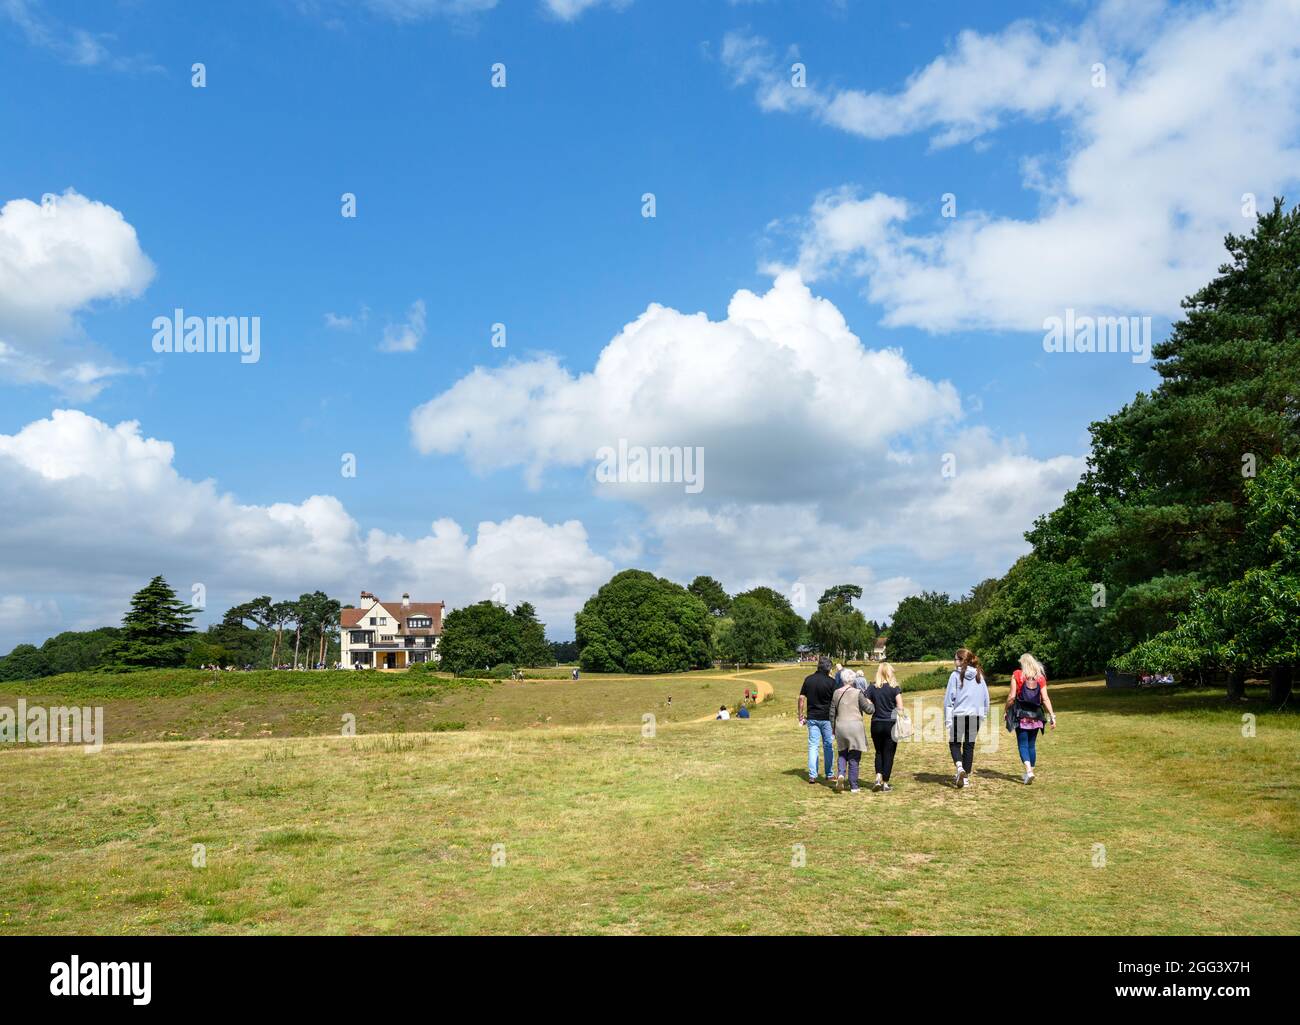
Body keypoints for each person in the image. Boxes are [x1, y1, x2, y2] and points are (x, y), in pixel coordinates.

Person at [1006, 653, 1056, 784]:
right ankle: (1030, 772)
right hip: (1037, 715)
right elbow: (1045, 698)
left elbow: (1011, 697)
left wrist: (1006, 710)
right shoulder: (1040, 678)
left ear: (1022, 663)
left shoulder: (1017, 675)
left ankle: (1028, 771)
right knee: (1031, 745)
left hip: (1021, 714)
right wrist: (1052, 715)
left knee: (1022, 744)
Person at [944, 648, 990, 788]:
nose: (954, 661)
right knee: (969, 745)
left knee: (954, 743)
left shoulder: (954, 675)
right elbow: (985, 698)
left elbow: (949, 700)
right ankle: (965, 778)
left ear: (962, 660)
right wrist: (983, 715)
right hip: (975, 715)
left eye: (955, 659)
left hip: (960, 714)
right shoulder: (979, 675)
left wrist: (948, 719)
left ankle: (960, 768)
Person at [830, 671, 874, 792]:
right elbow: (869, 710)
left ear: (843, 679)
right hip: (855, 726)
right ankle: (854, 785)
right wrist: (871, 703)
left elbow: (832, 713)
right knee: (854, 755)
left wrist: (833, 728)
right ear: (853, 680)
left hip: (841, 725)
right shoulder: (858, 693)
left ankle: (841, 774)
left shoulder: (836, 693)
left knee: (842, 753)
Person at [798, 655, 838, 785]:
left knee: (813, 746)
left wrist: (800, 715)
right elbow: (836, 702)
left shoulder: (808, 680)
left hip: (812, 717)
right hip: (827, 718)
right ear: (828, 668)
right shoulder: (831, 682)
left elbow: (801, 699)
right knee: (828, 746)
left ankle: (812, 775)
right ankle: (829, 774)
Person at [866, 662, 903, 792]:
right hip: (890, 724)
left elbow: (868, 706)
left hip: (876, 723)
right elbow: (900, 707)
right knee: (889, 753)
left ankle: (878, 777)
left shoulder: (872, 688)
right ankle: (885, 783)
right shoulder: (895, 688)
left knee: (879, 752)